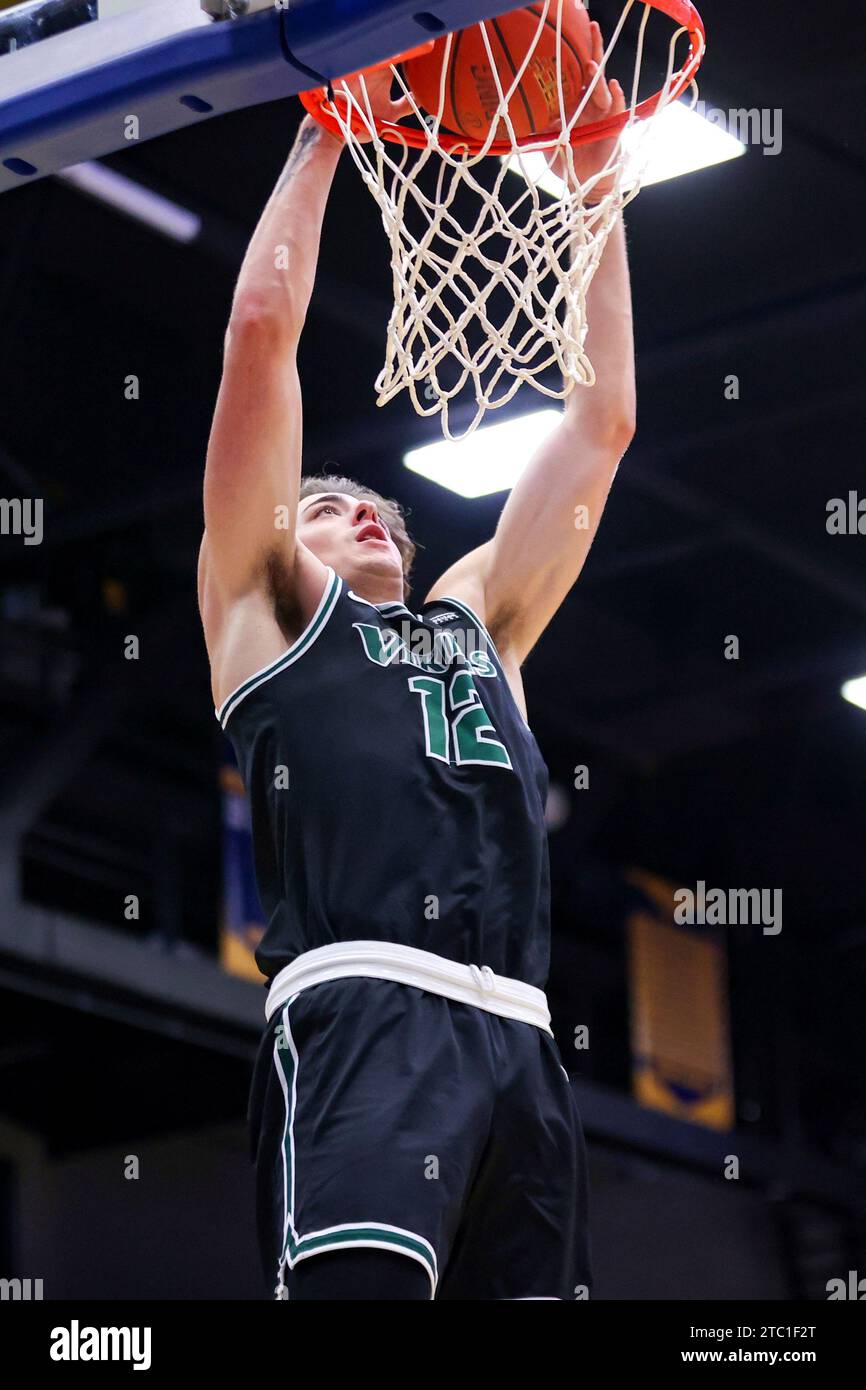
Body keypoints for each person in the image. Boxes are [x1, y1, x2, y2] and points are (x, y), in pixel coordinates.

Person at [197, 20, 634, 1300]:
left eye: (378, 505)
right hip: (364, 1013)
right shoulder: (266, 613)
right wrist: (329, 123)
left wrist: (602, 184)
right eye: (331, 506)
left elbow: (600, 421)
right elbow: (263, 329)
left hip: (518, 1034)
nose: (368, 512)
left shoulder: (478, 622)